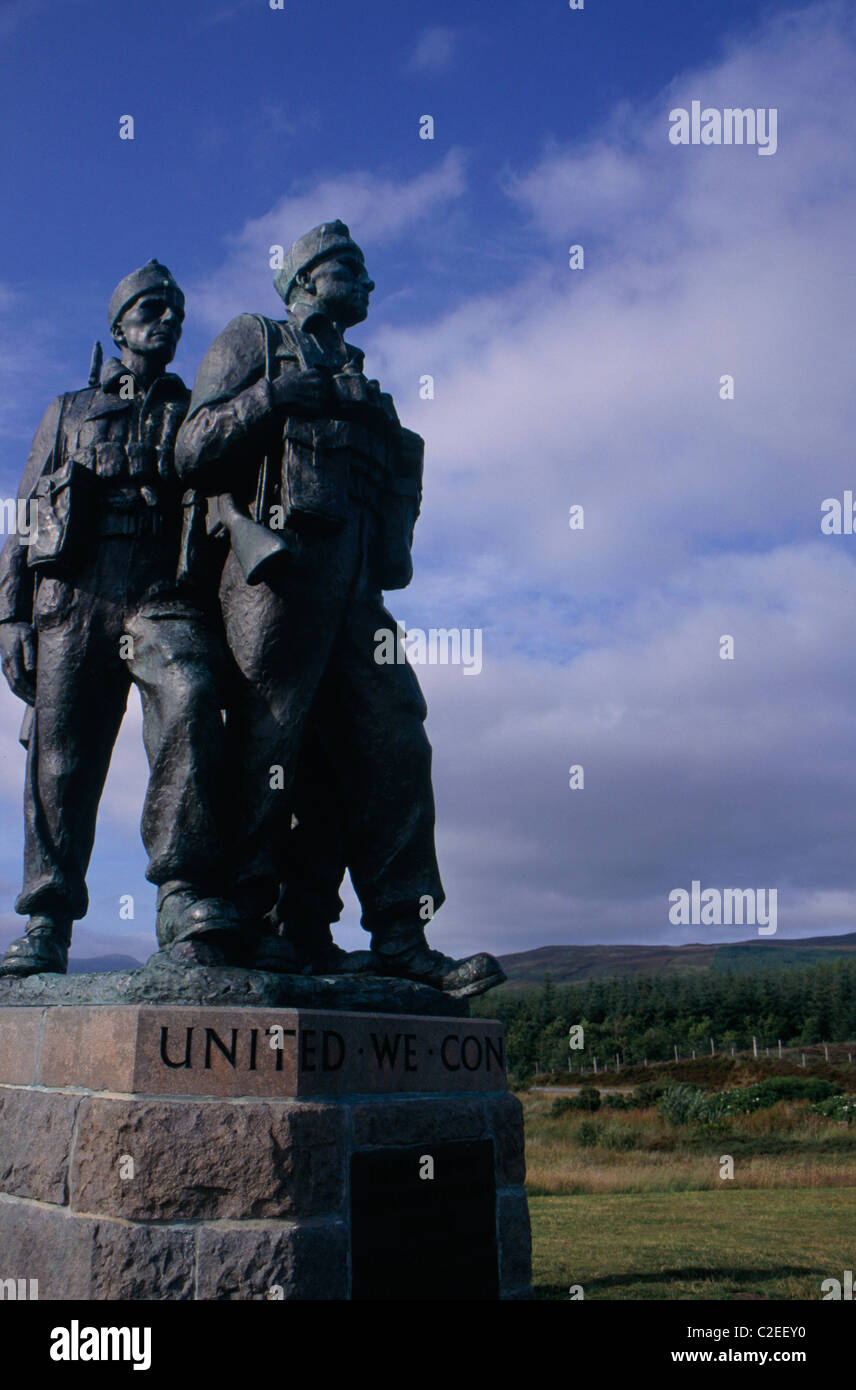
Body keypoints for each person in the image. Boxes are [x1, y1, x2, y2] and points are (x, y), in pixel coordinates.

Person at [176, 222, 503, 997]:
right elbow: (190, 451)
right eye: (351, 271)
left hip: (357, 593)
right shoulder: (252, 341)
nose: (368, 286)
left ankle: (401, 932)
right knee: (270, 743)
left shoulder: (361, 377)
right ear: (307, 281)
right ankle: (248, 921)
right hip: (277, 578)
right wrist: (271, 397)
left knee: (395, 742)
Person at [0, 261, 240, 977]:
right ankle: (46, 918)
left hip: (160, 593)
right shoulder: (66, 410)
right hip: (71, 597)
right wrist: (8, 616)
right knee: (60, 756)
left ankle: (181, 889)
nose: (166, 320)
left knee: (191, 694)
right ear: (119, 326)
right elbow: (22, 515)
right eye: (151, 309)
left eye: (174, 311)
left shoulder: (192, 409)